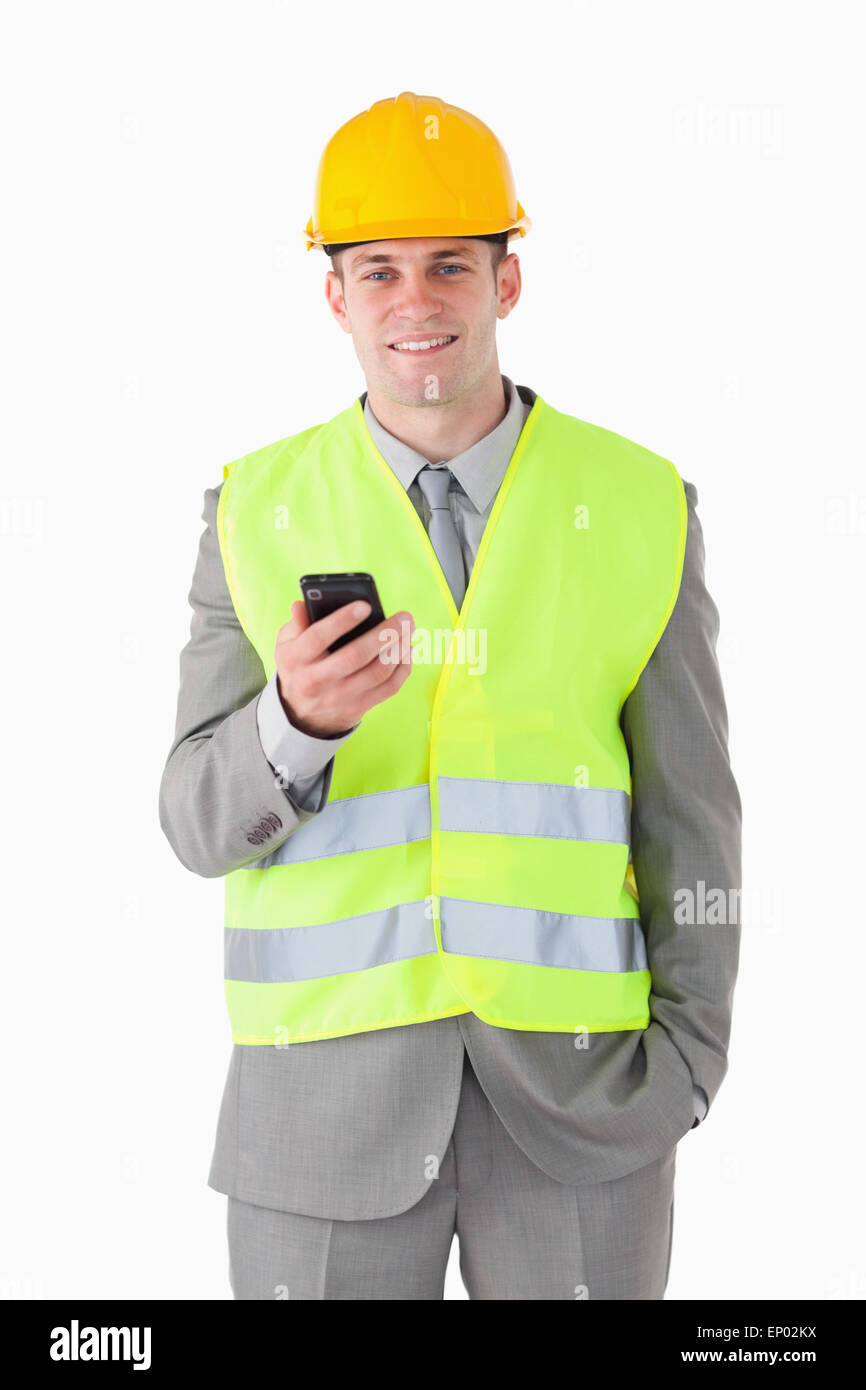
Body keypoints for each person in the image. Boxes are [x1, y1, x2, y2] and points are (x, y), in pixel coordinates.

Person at [159, 91, 742, 1300]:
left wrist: (687, 1065)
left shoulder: (637, 503)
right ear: (335, 296)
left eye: (448, 267)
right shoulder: (250, 510)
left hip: (584, 1115)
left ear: (505, 282)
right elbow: (193, 824)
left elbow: (693, 815)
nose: (413, 303)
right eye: (376, 271)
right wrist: (295, 726)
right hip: (315, 1118)